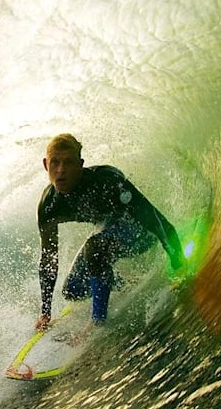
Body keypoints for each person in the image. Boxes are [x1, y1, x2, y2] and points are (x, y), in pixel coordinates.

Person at [35, 133, 185, 332]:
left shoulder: (106, 180)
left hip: (139, 234)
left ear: (80, 164)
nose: (61, 170)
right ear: (46, 165)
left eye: (68, 162)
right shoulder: (49, 205)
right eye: (55, 163)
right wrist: (46, 311)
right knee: (72, 290)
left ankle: (98, 321)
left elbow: (156, 221)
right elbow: (49, 259)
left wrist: (180, 265)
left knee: (94, 246)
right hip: (106, 233)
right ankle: (124, 282)